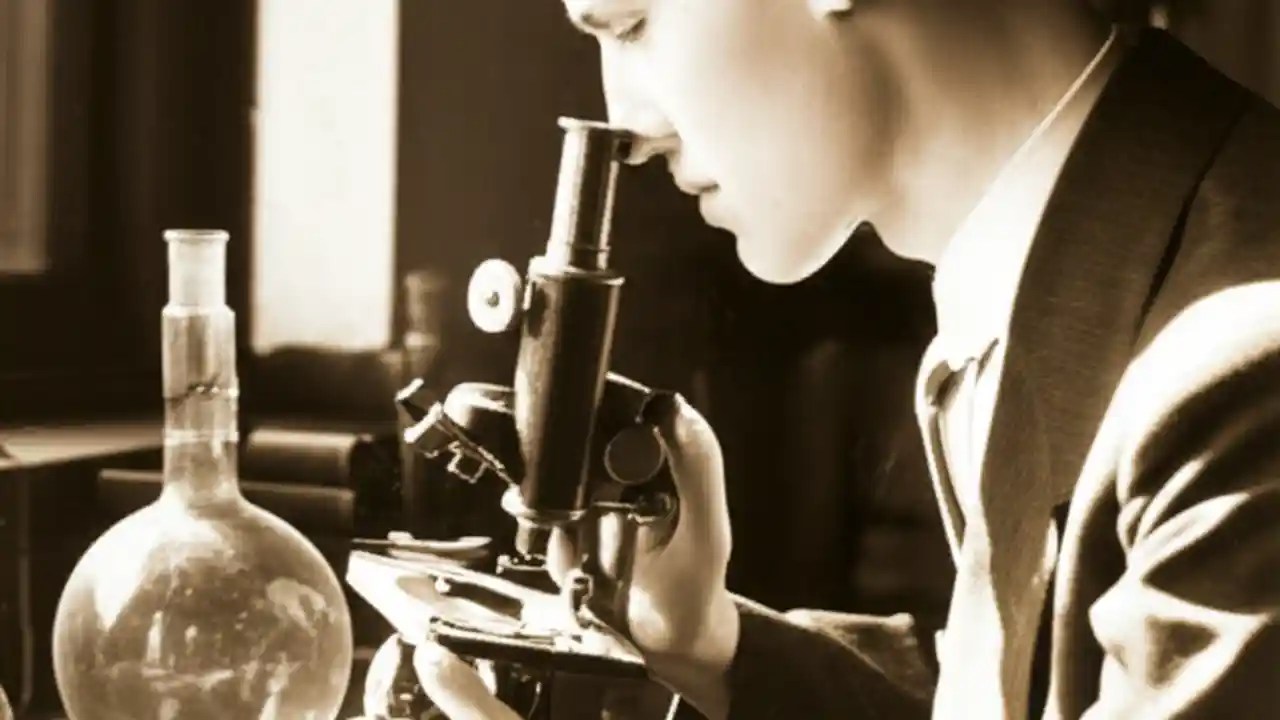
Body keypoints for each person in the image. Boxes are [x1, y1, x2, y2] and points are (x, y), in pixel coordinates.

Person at [411, 0, 1280, 717]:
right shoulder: (1068, 281)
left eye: (631, 26)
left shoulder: (1238, 379)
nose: (626, 128)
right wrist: (716, 646)